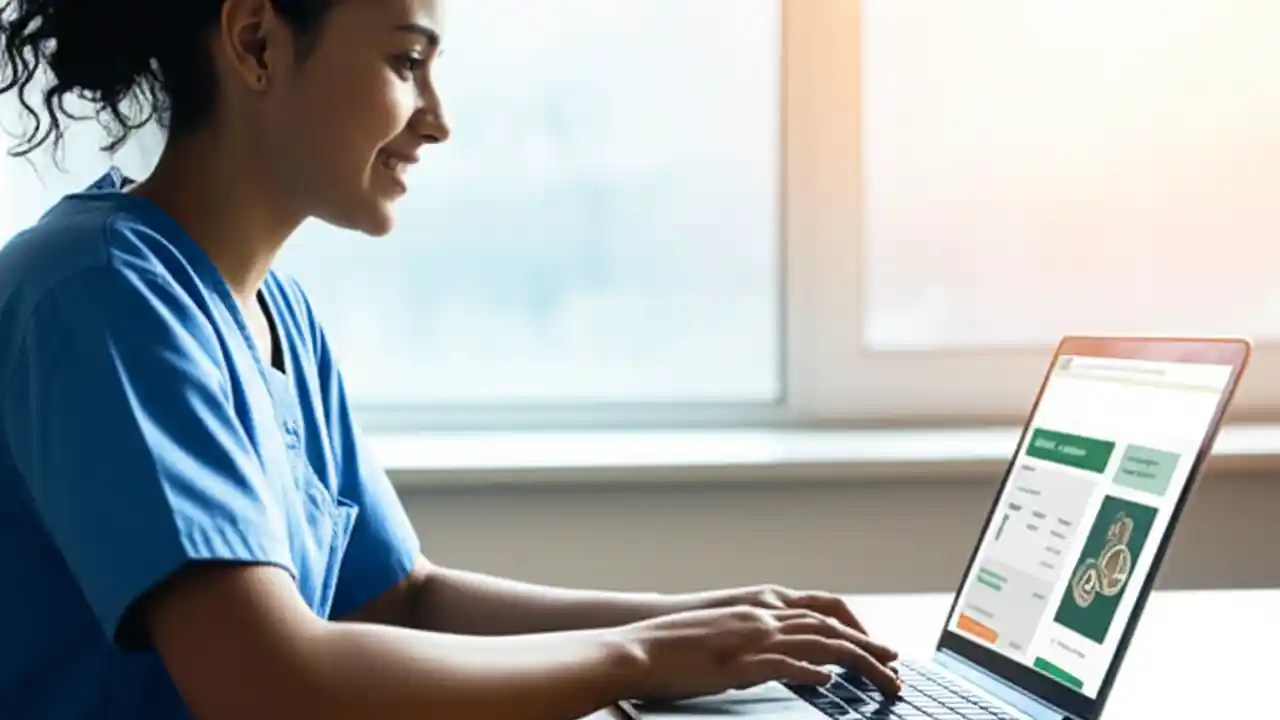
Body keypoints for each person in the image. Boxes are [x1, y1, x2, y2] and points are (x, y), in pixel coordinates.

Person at [0, 1, 900, 717]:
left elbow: (400, 600)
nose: (439, 120)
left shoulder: (277, 316)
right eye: (406, 61)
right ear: (256, 41)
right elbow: (265, 683)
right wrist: (642, 658)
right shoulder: (95, 295)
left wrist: (698, 619)